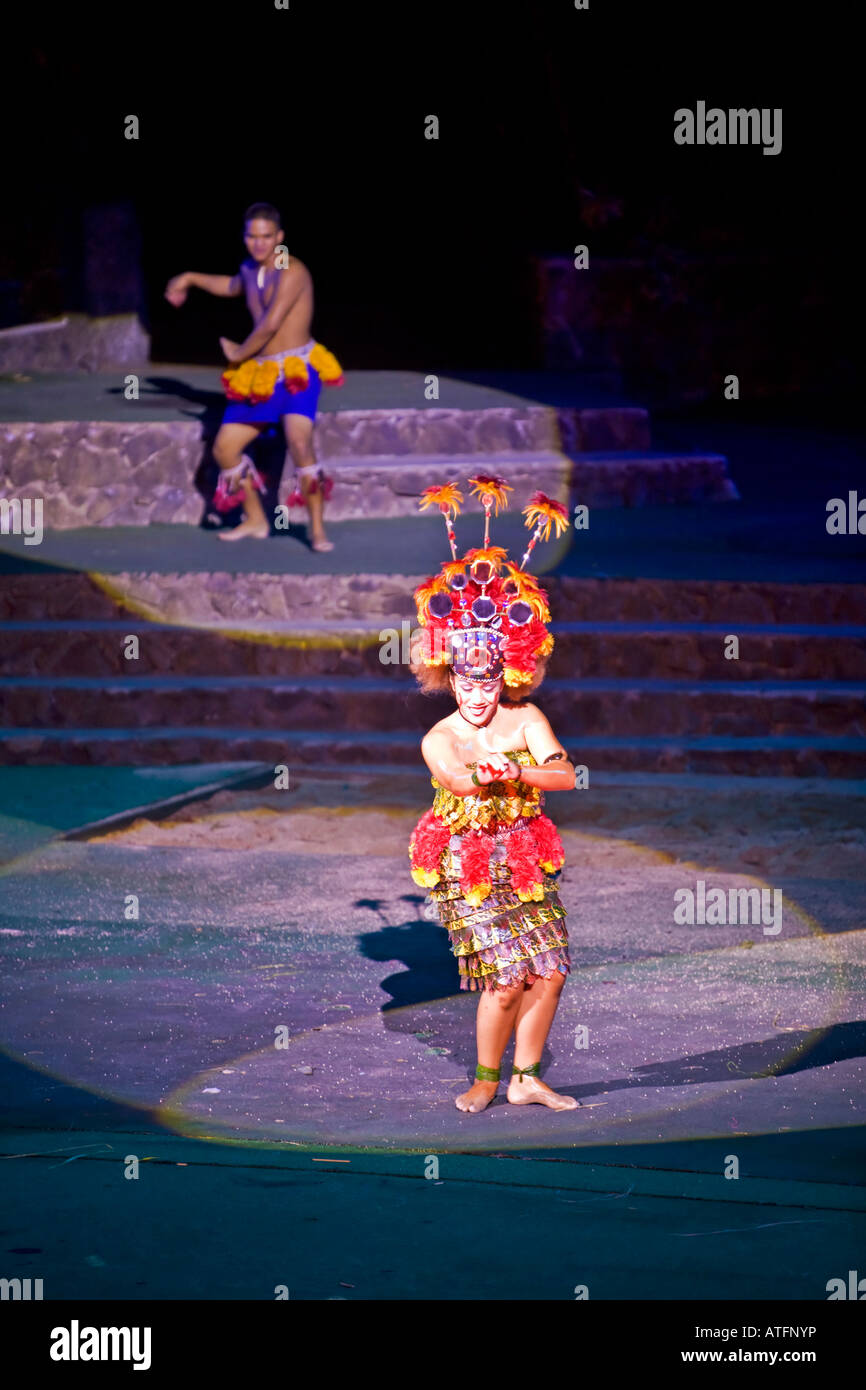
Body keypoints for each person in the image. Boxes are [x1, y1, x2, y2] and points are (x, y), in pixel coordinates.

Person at [409, 478, 579, 1114]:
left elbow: (564, 774)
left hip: (527, 853)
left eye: (488, 685)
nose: (478, 696)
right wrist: (494, 771)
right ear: (450, 678)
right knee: (506, 978)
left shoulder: (526, 716)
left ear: (505, 676)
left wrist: (513, 768)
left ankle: (527, 1076)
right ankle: (485, 1077)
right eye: (466, 684)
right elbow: (456, 779)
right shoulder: (440, 735)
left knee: (552, 969)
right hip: (467, 858)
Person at [164, 202, 343, 549]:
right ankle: (256, 519)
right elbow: (230, 285)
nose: (259, 243)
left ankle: (317, 529)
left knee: (299, 441)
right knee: (224, 448)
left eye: (266, 237)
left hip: (297, 372)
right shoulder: (249, 269)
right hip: (263, 374)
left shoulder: (292, 270)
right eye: (252, 236)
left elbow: (270, 324)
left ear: (279, 237)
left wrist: (238, 354)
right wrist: (188, 278)